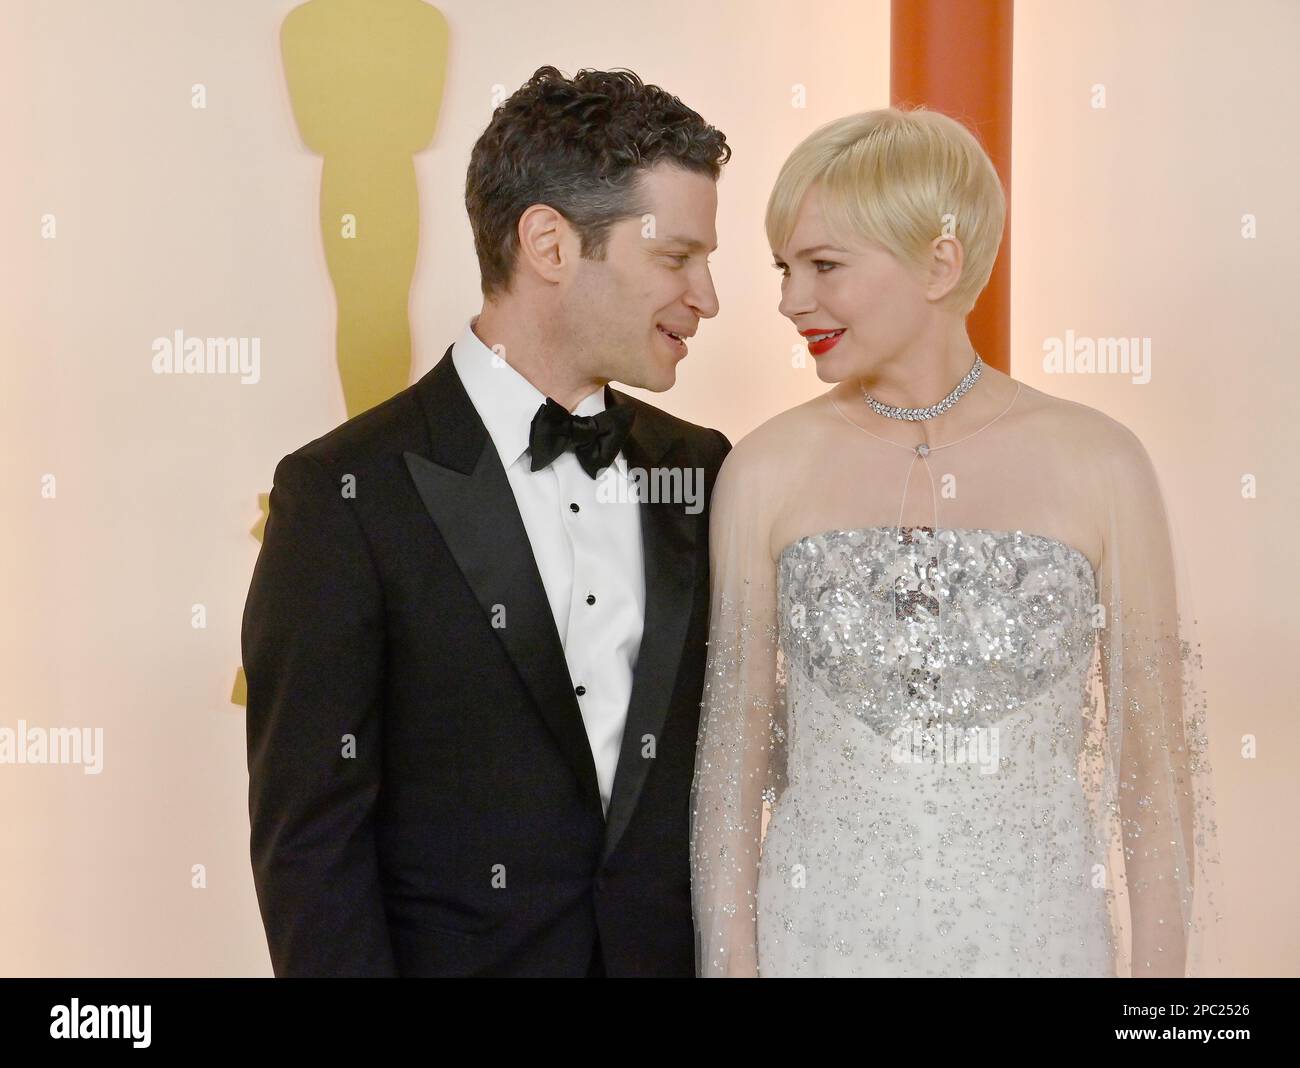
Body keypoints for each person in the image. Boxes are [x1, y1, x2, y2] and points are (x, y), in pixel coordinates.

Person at [689, 106, 1225, 977]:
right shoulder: (763, 471)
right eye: (785, 267)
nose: (791, 300)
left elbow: (1156, 781)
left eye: (824, 265)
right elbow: (727, 780)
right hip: (816, 946)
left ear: (940, 261)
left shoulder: (1103, 464)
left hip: (1042, 947)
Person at [244, 66, 731, 976]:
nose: (707, 297)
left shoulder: (705, 471)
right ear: (549, 243)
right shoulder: (342, 495)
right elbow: (311, 850)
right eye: (677, 257)